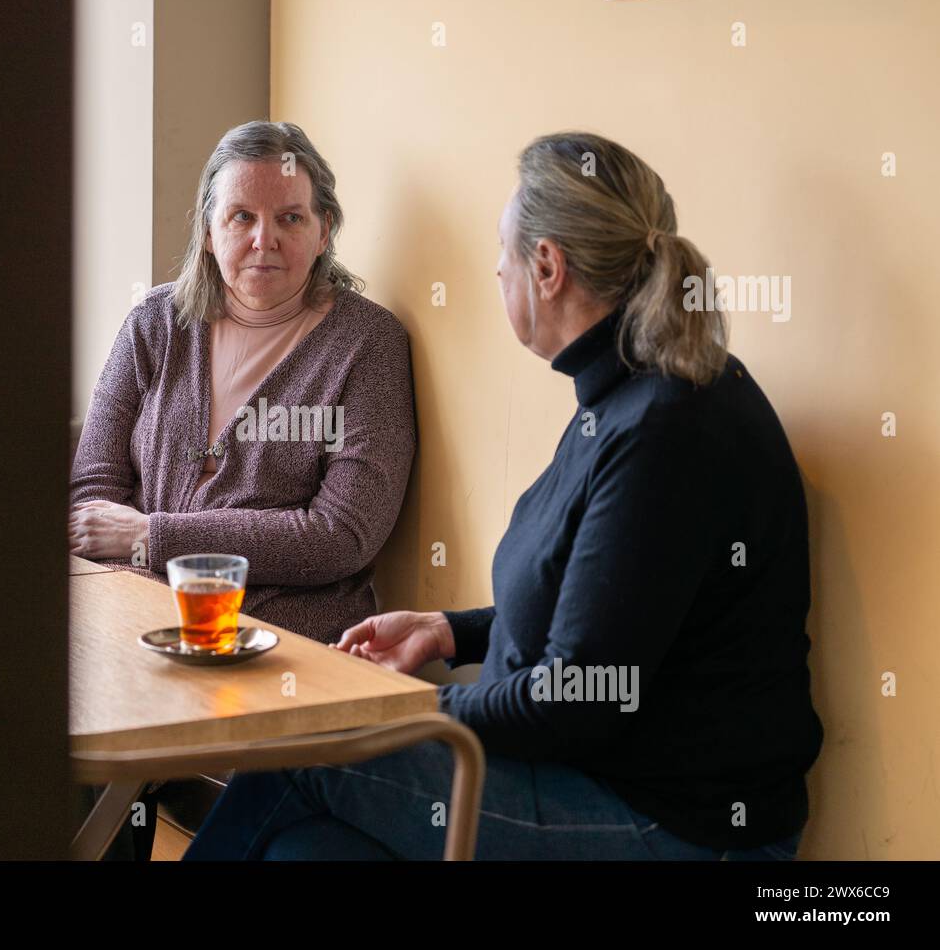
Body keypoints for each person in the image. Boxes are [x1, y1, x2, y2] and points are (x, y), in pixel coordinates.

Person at [183, 131, 824, 860]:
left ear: (546, 267)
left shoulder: (665, 431)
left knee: (302, 739)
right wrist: (449, 631)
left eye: (503, 249)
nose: (495, 267)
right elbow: (603, 605)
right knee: (302, 851)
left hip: (675, 825)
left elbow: (575, 698)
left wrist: (409, 710)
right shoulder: (632, 396)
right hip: (596, 777)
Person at [69, 120, 417, 858]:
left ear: (325, 231)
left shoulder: (367, 345)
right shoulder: (154, 324)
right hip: (140, 638)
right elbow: (91, 493)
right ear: (207, 228)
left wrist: (152, 537)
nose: (266, 240)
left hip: (283, 658)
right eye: (242, 217)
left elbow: (341, 536)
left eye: (291, 217)